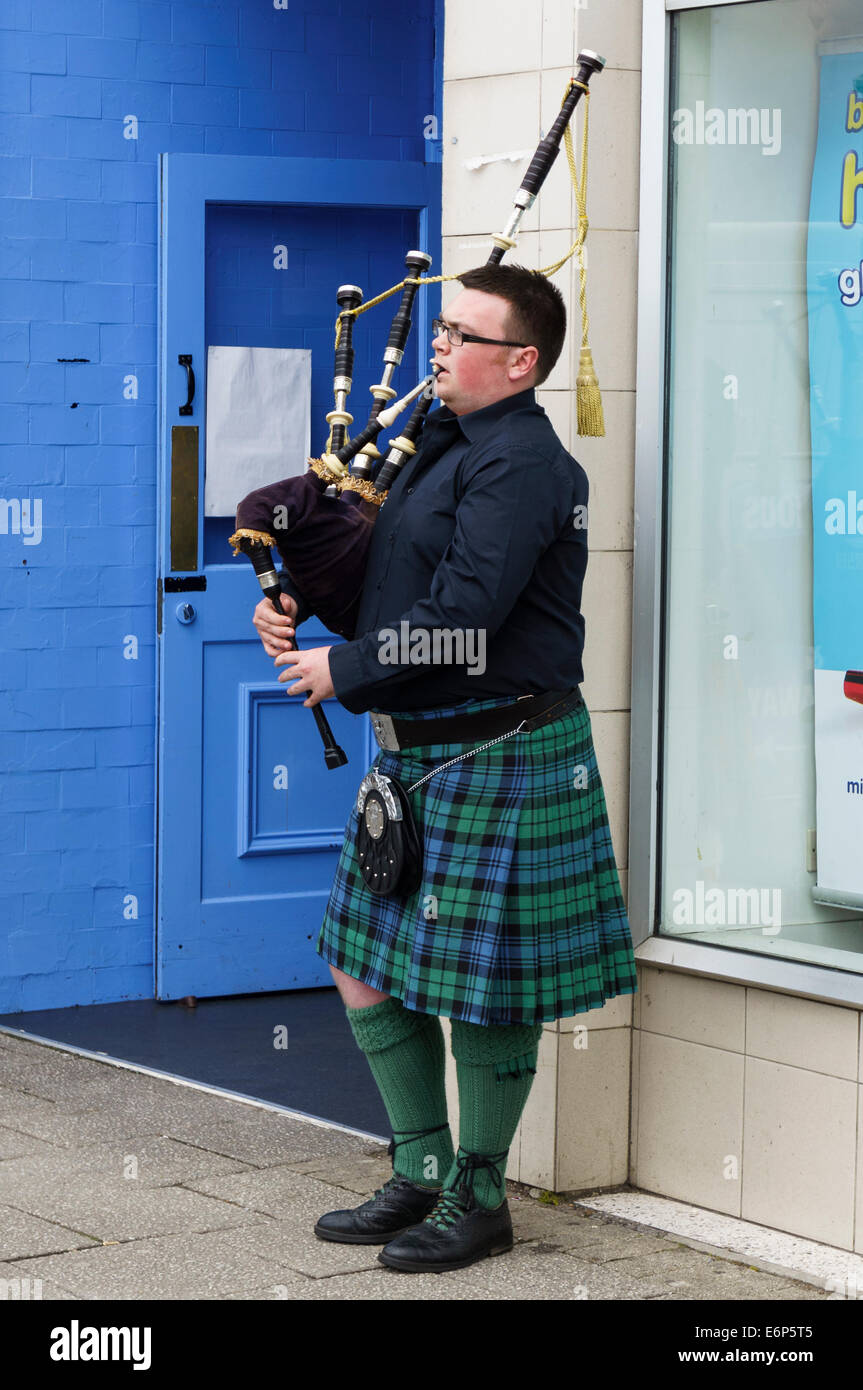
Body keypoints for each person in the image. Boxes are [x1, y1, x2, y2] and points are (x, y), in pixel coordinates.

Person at [251, 263, 638, 1275]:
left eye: (462, 334)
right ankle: (419, 1166)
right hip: (418, 753)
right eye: (440, 328)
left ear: (520, 361)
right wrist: (311, 616)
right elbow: (396, 587)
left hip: (501, 746)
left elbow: (461, 625)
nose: (437, 345)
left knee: (485, 989)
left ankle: (478, 1193)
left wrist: (346, 669)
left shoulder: (524, 466)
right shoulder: (439, 441)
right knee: (362, 963)